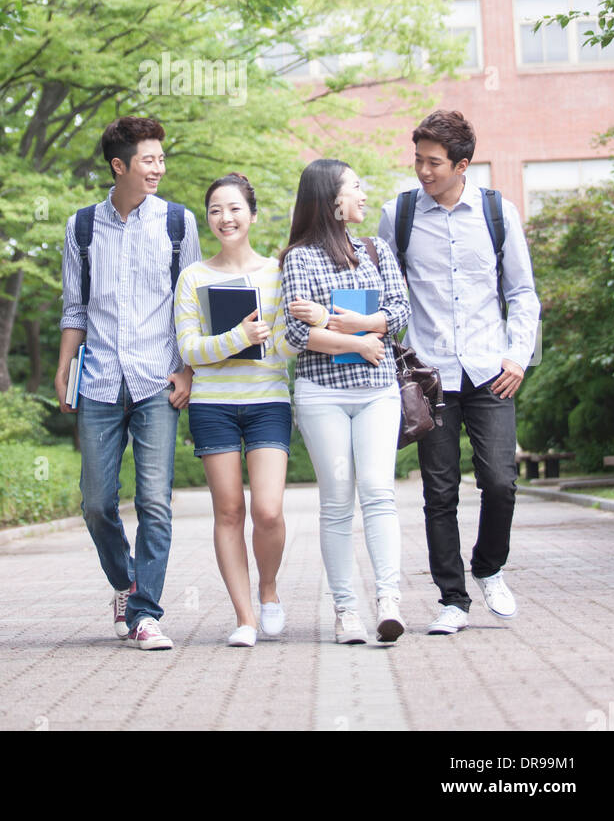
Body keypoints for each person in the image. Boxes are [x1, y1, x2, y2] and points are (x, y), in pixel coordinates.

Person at [378, 110, 540, 635]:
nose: (422, 171)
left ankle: (489, 567)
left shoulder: (497, 213)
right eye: (418, 160)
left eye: (433, 162)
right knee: (439, 491)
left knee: (500, 482)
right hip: (431, 377)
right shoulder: (397, 215)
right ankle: (453, 599)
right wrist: (398, 362)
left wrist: (517, 356)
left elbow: (521, 293)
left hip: (492, 370)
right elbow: (388, 297)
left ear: (462, 164)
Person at [56, 116, 201, 650]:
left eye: (162, 158)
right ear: (119, 166)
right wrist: (64, 363)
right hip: (96, 380)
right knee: (96, 502)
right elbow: (75, 305)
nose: (159, 167)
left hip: (157, 380)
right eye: (149, 159)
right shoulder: (82, 228)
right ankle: (125, 581)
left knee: (155, 502)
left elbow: (191, 310)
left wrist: (188, 370)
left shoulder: (178, 224)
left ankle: (145, 614)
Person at [281, 158, 410, 645]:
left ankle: (388, 600)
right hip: (322, 395)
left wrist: (338, 321)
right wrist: (360, 340)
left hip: (378, 392)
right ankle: (346, 610)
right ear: (331, 200)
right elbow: (297, 333)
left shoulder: (375, 250)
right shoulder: (299, 257)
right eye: (354, 187)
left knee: (378, 490)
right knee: (337, 501)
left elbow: (398, 312)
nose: (362, 193)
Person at [174, 173, 299, 647]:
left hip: (267, 400)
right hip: (212, 405)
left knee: (267, 511)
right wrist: (237, 339)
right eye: (215, 211)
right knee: (228, 511)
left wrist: (280, 334)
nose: (224, 218)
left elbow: (290, 347)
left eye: (233, 209)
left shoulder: (277, 272)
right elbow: (189, 348)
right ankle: (244, 617)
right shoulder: (194, 276)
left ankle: (268, 588)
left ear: (251, 213)